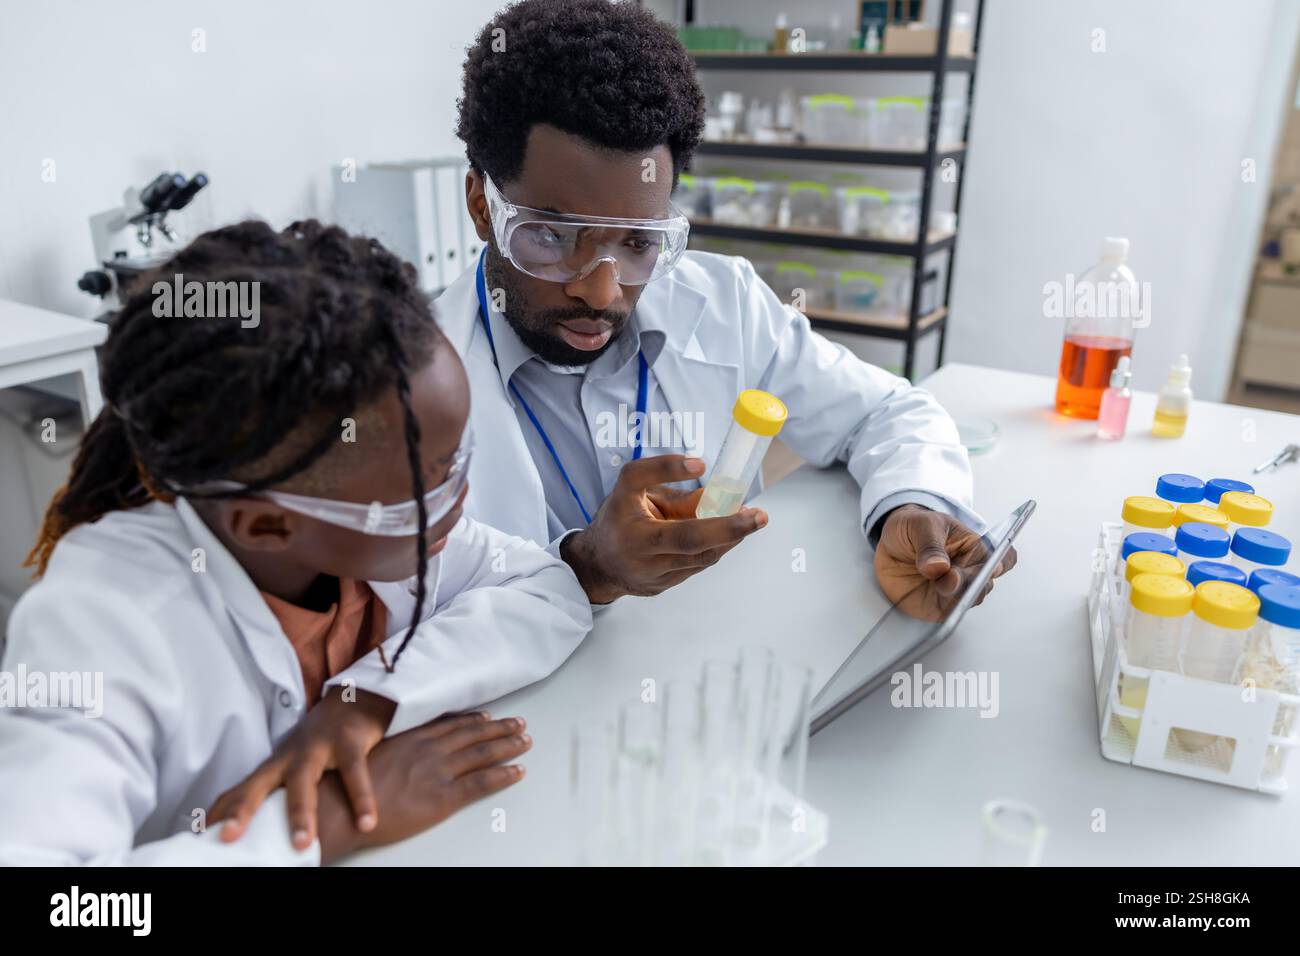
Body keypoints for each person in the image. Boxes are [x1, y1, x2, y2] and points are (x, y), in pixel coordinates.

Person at [0, 220, 591, 865]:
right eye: (430, 480)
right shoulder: (100, 624)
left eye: (459, 456)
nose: (461, 493)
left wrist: (366, 699)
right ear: (266, 525)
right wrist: (322, 827)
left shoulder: (375, 534)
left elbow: (547, 588)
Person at [437, 0, 1014, 620]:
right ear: (481, 206)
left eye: (639, 242)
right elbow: (405, 617)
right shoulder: (408, 380)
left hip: (725, 654)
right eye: (552, 236)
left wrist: (911, 503)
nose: (602, 294)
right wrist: (587, 569)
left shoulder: (721, 301)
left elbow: (885, 410)